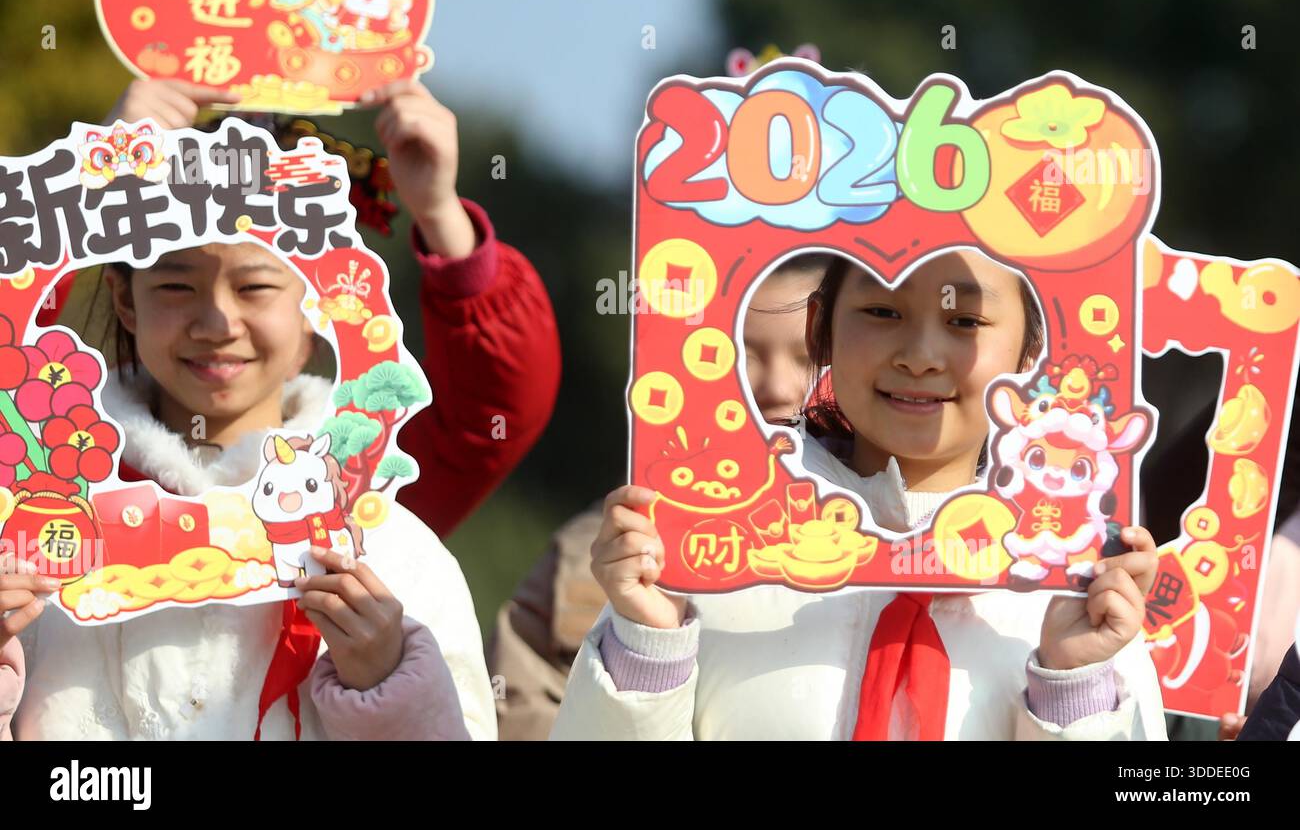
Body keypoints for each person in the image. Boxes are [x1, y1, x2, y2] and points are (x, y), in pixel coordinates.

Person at [0, 77, 560, 739]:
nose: (216, 322)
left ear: (314, 307)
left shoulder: (384, 536)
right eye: (176, 284)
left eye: (256, 285)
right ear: (125, 299)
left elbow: (492, 402)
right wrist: (85, 177)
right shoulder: (40, 508)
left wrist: (387, 677)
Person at [553, 251, 1167, 739]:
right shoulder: (705, 550)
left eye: (965, 321)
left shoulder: (1076, 588)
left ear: (1031, 350)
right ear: (821, 327)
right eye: (882, 311)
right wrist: (647, 646)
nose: (921, 356)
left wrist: (1074, 685)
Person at [488, 256, 828, 739]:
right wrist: (639, 645)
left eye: (811, 355)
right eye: (740, 355)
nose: (778, 388)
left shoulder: (911, 547)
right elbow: (522, 712)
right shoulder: (599, 555)